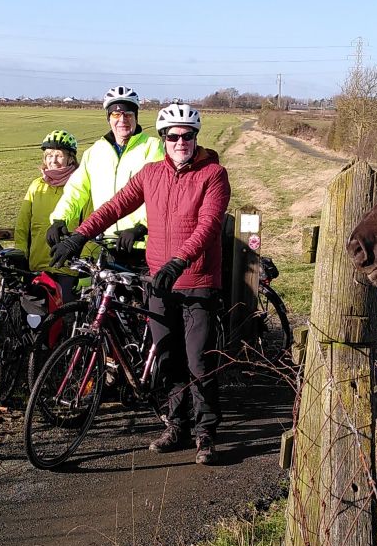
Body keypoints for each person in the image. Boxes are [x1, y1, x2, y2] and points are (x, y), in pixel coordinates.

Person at [51, 101, 230, 464]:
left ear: (196, 137)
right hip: (159, 281)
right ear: (163, 138)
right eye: (174, 136)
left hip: (196, 280)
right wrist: (79, 236)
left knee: (198, 361)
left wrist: (179, 261)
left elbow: (208, 226)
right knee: (168, 358)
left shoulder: (213, 174)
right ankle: (176, 425)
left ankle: (205, 434)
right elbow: (115, 207)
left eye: (188, 135)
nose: (181, 142)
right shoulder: (151, 174)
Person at [46, 86, 163, 269]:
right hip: (108, 243)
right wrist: (60, 219)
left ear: (136, 117)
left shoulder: (152, 147)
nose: (122, 120)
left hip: (142, 244)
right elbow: (77, 190)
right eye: (116, 115)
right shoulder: (96, 152)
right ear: (108, 118)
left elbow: (160, 194)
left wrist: (142, 227)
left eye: (128, 114)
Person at [13, 129, 80, 302]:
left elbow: (89, 223)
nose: (53, 160)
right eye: (49, 156)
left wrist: (85, 269)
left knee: (66, 322)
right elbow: (23, 226)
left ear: (70, 158)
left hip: (68, 269)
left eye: (58, 155)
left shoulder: (80, 186)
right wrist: (20, 254)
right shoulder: (36, 186)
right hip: (37, 266)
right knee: (35, 321)